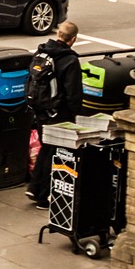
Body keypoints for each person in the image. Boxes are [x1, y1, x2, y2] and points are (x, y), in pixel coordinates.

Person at [26, 19, 83, 209]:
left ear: (59, 34)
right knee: (55, 152)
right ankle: (43, 195)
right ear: (73, 39)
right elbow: (73, 92)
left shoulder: (41, 52)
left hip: (41, 111)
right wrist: (75, 114)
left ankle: (34, 187)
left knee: (46, 147)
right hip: (59, 114)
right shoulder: (70, 60)